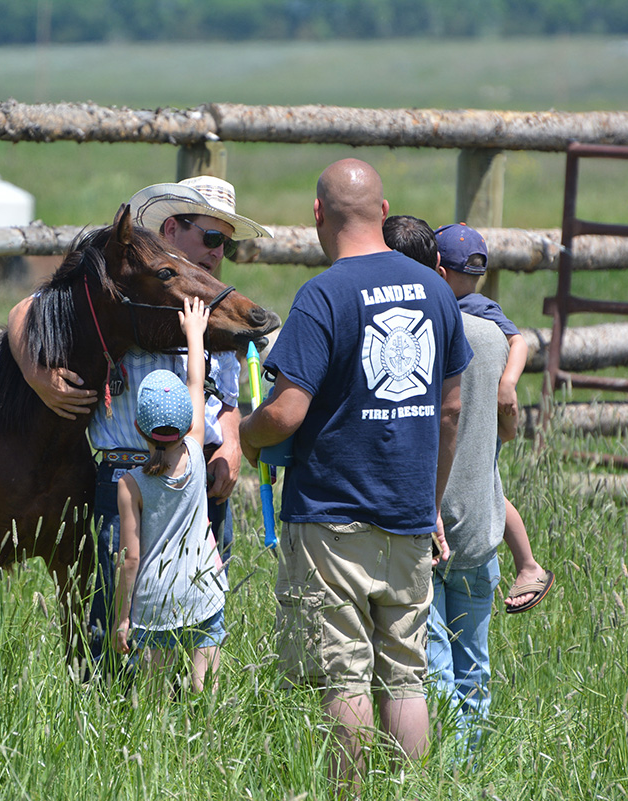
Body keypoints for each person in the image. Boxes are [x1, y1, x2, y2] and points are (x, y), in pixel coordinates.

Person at [239, 160, 470, 794]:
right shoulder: (435, 291)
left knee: (343, 675)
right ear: (384, 207)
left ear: (319, 215)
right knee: (405, 673)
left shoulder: (324, 295)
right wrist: (431, 498)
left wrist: (247, 432)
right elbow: (451, 408)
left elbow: (287, 412)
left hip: (333, 515)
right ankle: (414, 790)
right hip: (408, 513)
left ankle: (349, 792)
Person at [6, 175, 269, 667]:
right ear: (172, 226)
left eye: (226, 245)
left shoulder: (208, 301)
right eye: (211, 238)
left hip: (198, 477)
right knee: (115, 610)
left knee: (198, 609)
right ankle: (113, 712)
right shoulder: (128, 284)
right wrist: (35, 373)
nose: (218, 253)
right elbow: (29, 307)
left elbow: (228, 397)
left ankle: (186, 722)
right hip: (127, 477)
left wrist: (230, 444)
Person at [384, 215, 508, 756]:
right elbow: (505, 413)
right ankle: (473, 765)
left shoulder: (417, 337)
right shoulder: (493, 336)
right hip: (481, 524)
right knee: (473, 665)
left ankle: (444, 771)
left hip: (430, 523)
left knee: (430, 664)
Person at [425, 221, 554, 613]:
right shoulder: (479, 308)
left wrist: (508, 384)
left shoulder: (474, 312)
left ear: (438, 270)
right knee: (492, 493)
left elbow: (519, 342)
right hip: (482, 425)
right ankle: (528, 564)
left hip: (472, 424)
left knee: (491, 494)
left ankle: (529, 563)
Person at [111, 298, 228, 693]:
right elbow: (197, 381)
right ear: (186, 423)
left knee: (154, 706)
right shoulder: (196, 449)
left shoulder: (130, 484)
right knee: (206, 695)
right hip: (203, 590)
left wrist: (121, 620)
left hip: (154, 602)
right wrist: (194, 333)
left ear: (138, 428)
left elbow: (131, 559)